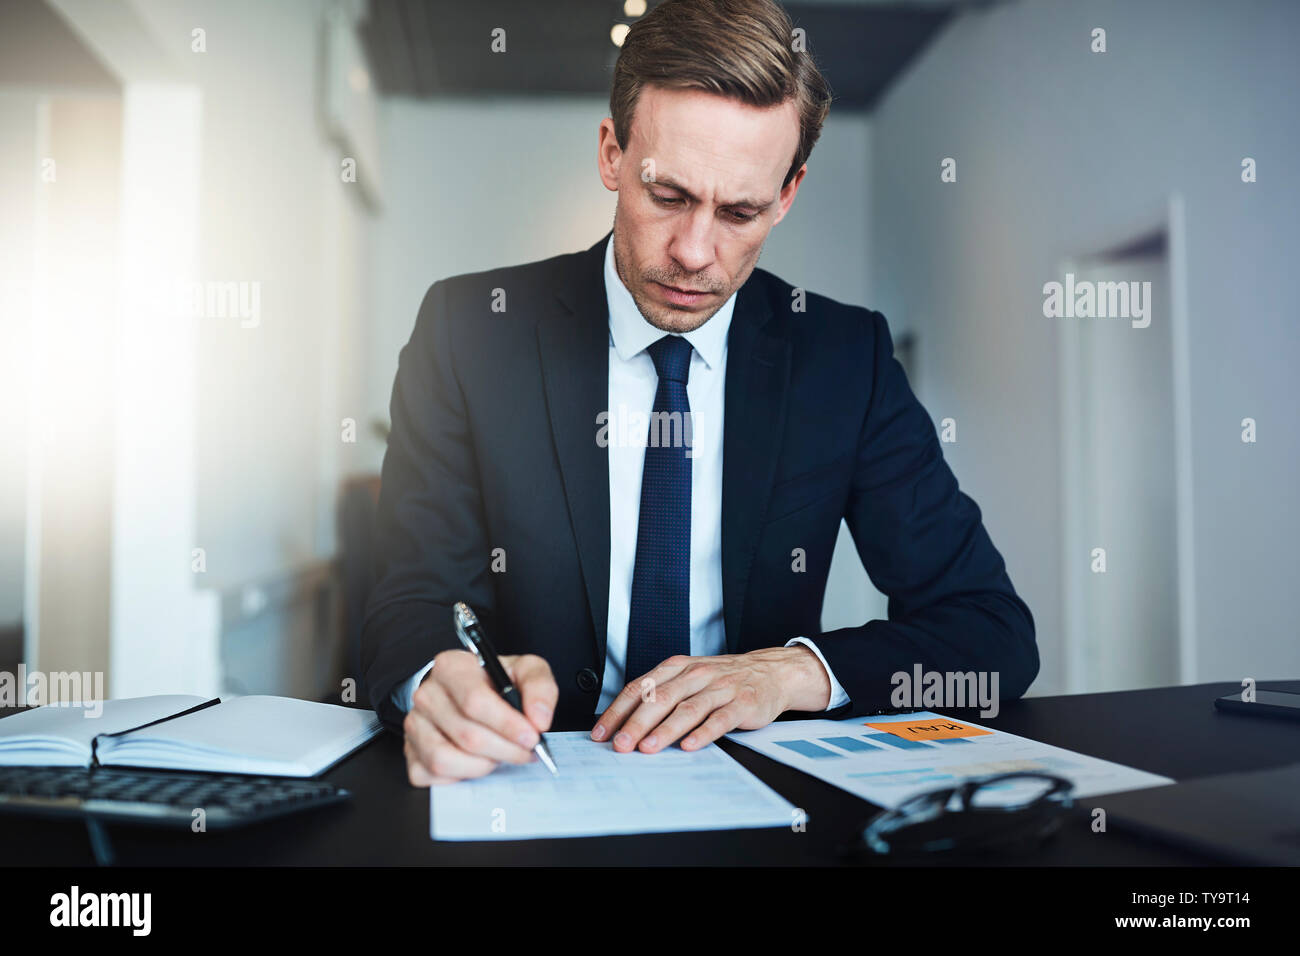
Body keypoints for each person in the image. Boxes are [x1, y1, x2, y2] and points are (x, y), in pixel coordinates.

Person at [362, 0, 1037, 787]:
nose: (693, 253)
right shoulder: (468, 331)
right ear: (613, 154)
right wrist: (436, 682)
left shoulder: (843, 359)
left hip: (756, 800)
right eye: (669, 195)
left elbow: (991, 630)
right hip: (527, 786)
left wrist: (786, 675)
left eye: (740, 211)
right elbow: (405, 601)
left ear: (787, 195)